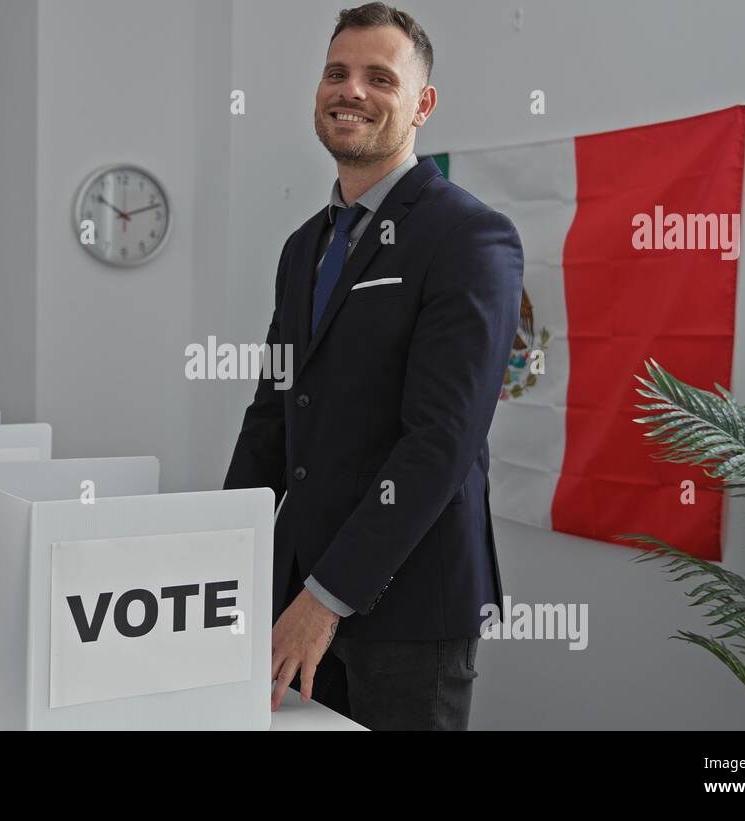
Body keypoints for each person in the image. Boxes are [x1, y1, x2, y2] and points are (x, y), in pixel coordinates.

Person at [223, 2, 524, 731]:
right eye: (337, 73)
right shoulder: (304, 247)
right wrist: (219, 553)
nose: (350, 90)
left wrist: (325, 598)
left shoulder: (469, 236)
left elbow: (440, 442)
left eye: (378, 77)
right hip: (291, 586)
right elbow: (273, 414)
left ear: (421, 105)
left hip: (410, 602)